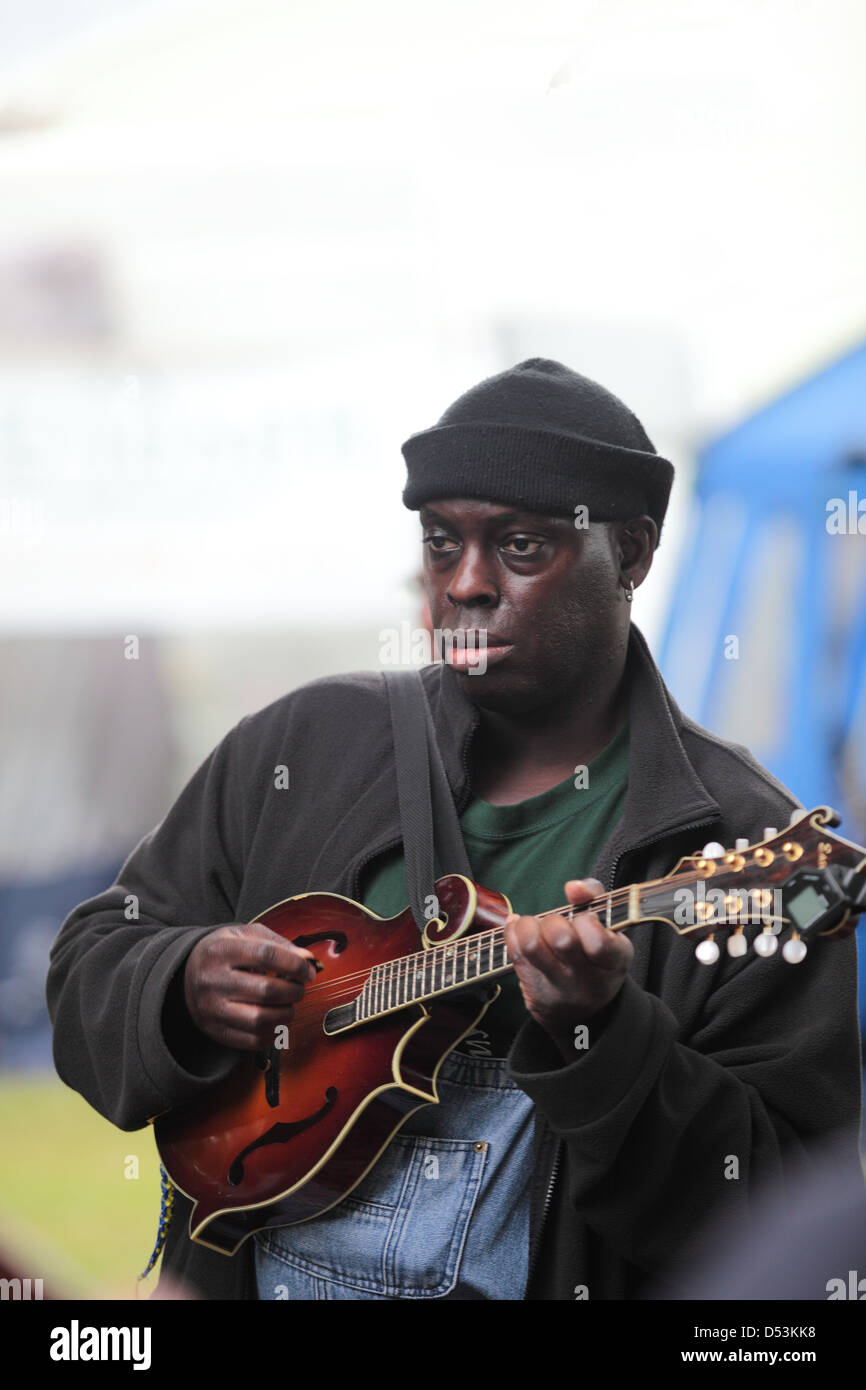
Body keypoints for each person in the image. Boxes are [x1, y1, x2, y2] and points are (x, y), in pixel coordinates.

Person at [47, 358, 862, 1301]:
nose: (466, 585)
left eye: (520, 548)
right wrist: (178, 983)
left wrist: (603, 1037)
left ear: (633, 553)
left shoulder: (739, 841)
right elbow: (90, 965)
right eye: (441, 544)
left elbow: (782, 1240)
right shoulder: (302, 750)